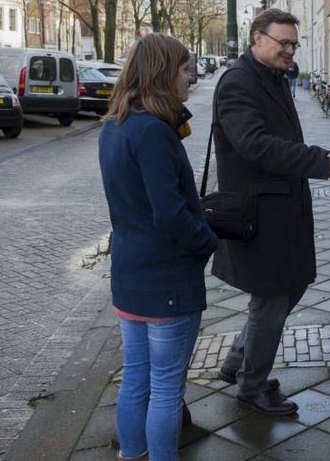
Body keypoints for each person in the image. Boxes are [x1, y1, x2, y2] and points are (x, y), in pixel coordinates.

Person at [211, 8, 330, 416]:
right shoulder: (238, 83)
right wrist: (321, 162)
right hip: (262, 216)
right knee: (272, 298)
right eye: (282, 43)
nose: (291, 51)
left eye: (294, 43)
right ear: (257, 39)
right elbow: (255, 145)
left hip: (283, 212)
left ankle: (237, 363)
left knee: (288, 289)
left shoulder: (271, 78)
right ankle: (252, 388)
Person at [98, 33, 218, 461]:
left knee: (136, 379)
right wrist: (207, 241)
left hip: (129, 276)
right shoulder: (153, 132)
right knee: (166, 387)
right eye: (186, 69)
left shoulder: (116, 125)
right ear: (165, 72)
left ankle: (132, 455)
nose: (192, 76)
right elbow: (168, 214)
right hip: (165, 281)